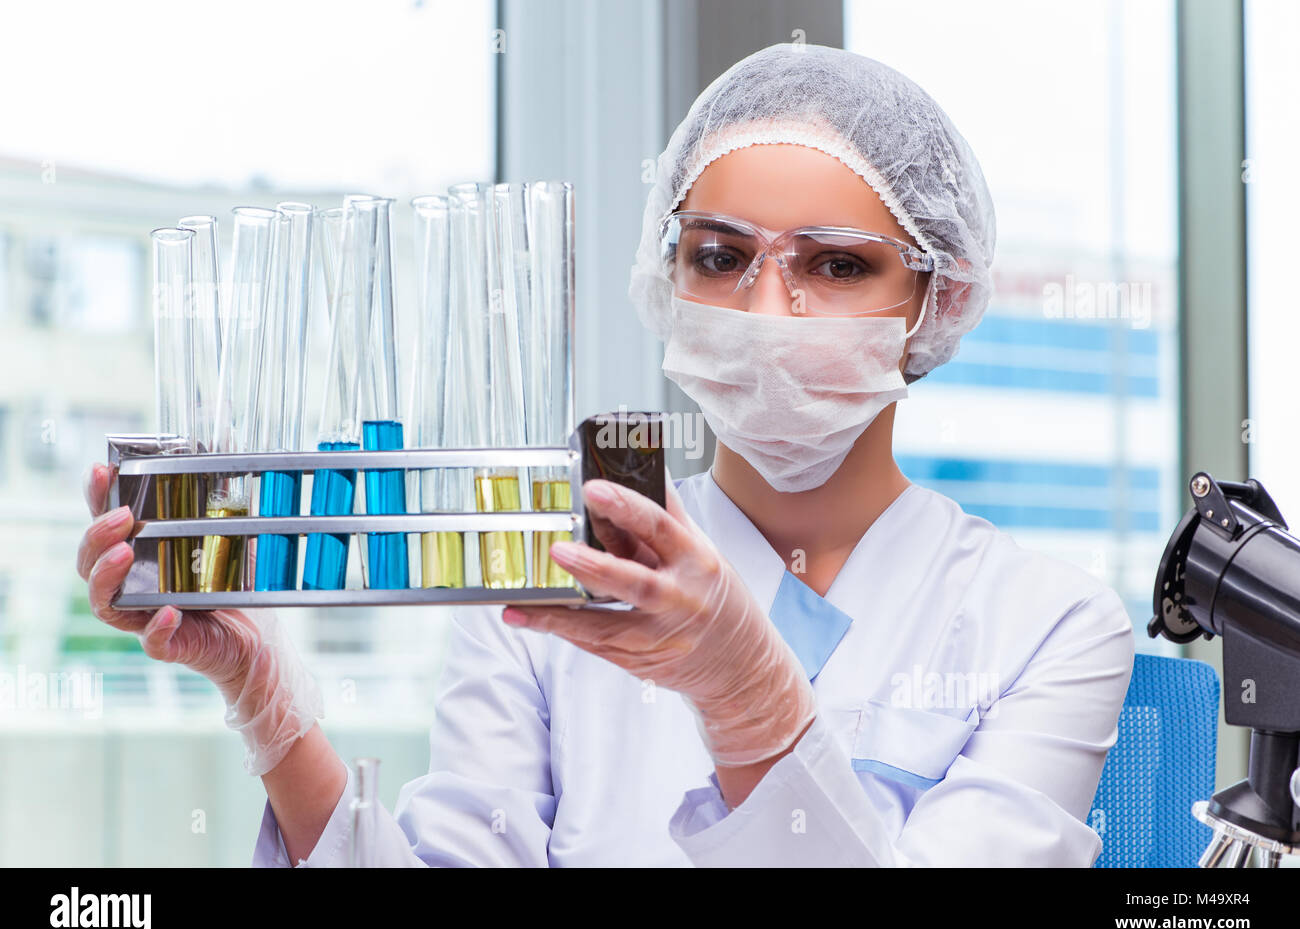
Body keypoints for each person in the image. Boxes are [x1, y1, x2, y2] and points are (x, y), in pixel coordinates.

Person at [76, 43, 1134, 867]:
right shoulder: (554, 573)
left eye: (838, 265)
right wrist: (270, 703)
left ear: (936, 299)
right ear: (663, 276)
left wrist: (748, 698)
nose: (769, 309)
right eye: (719, 256)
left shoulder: (1046, 624)